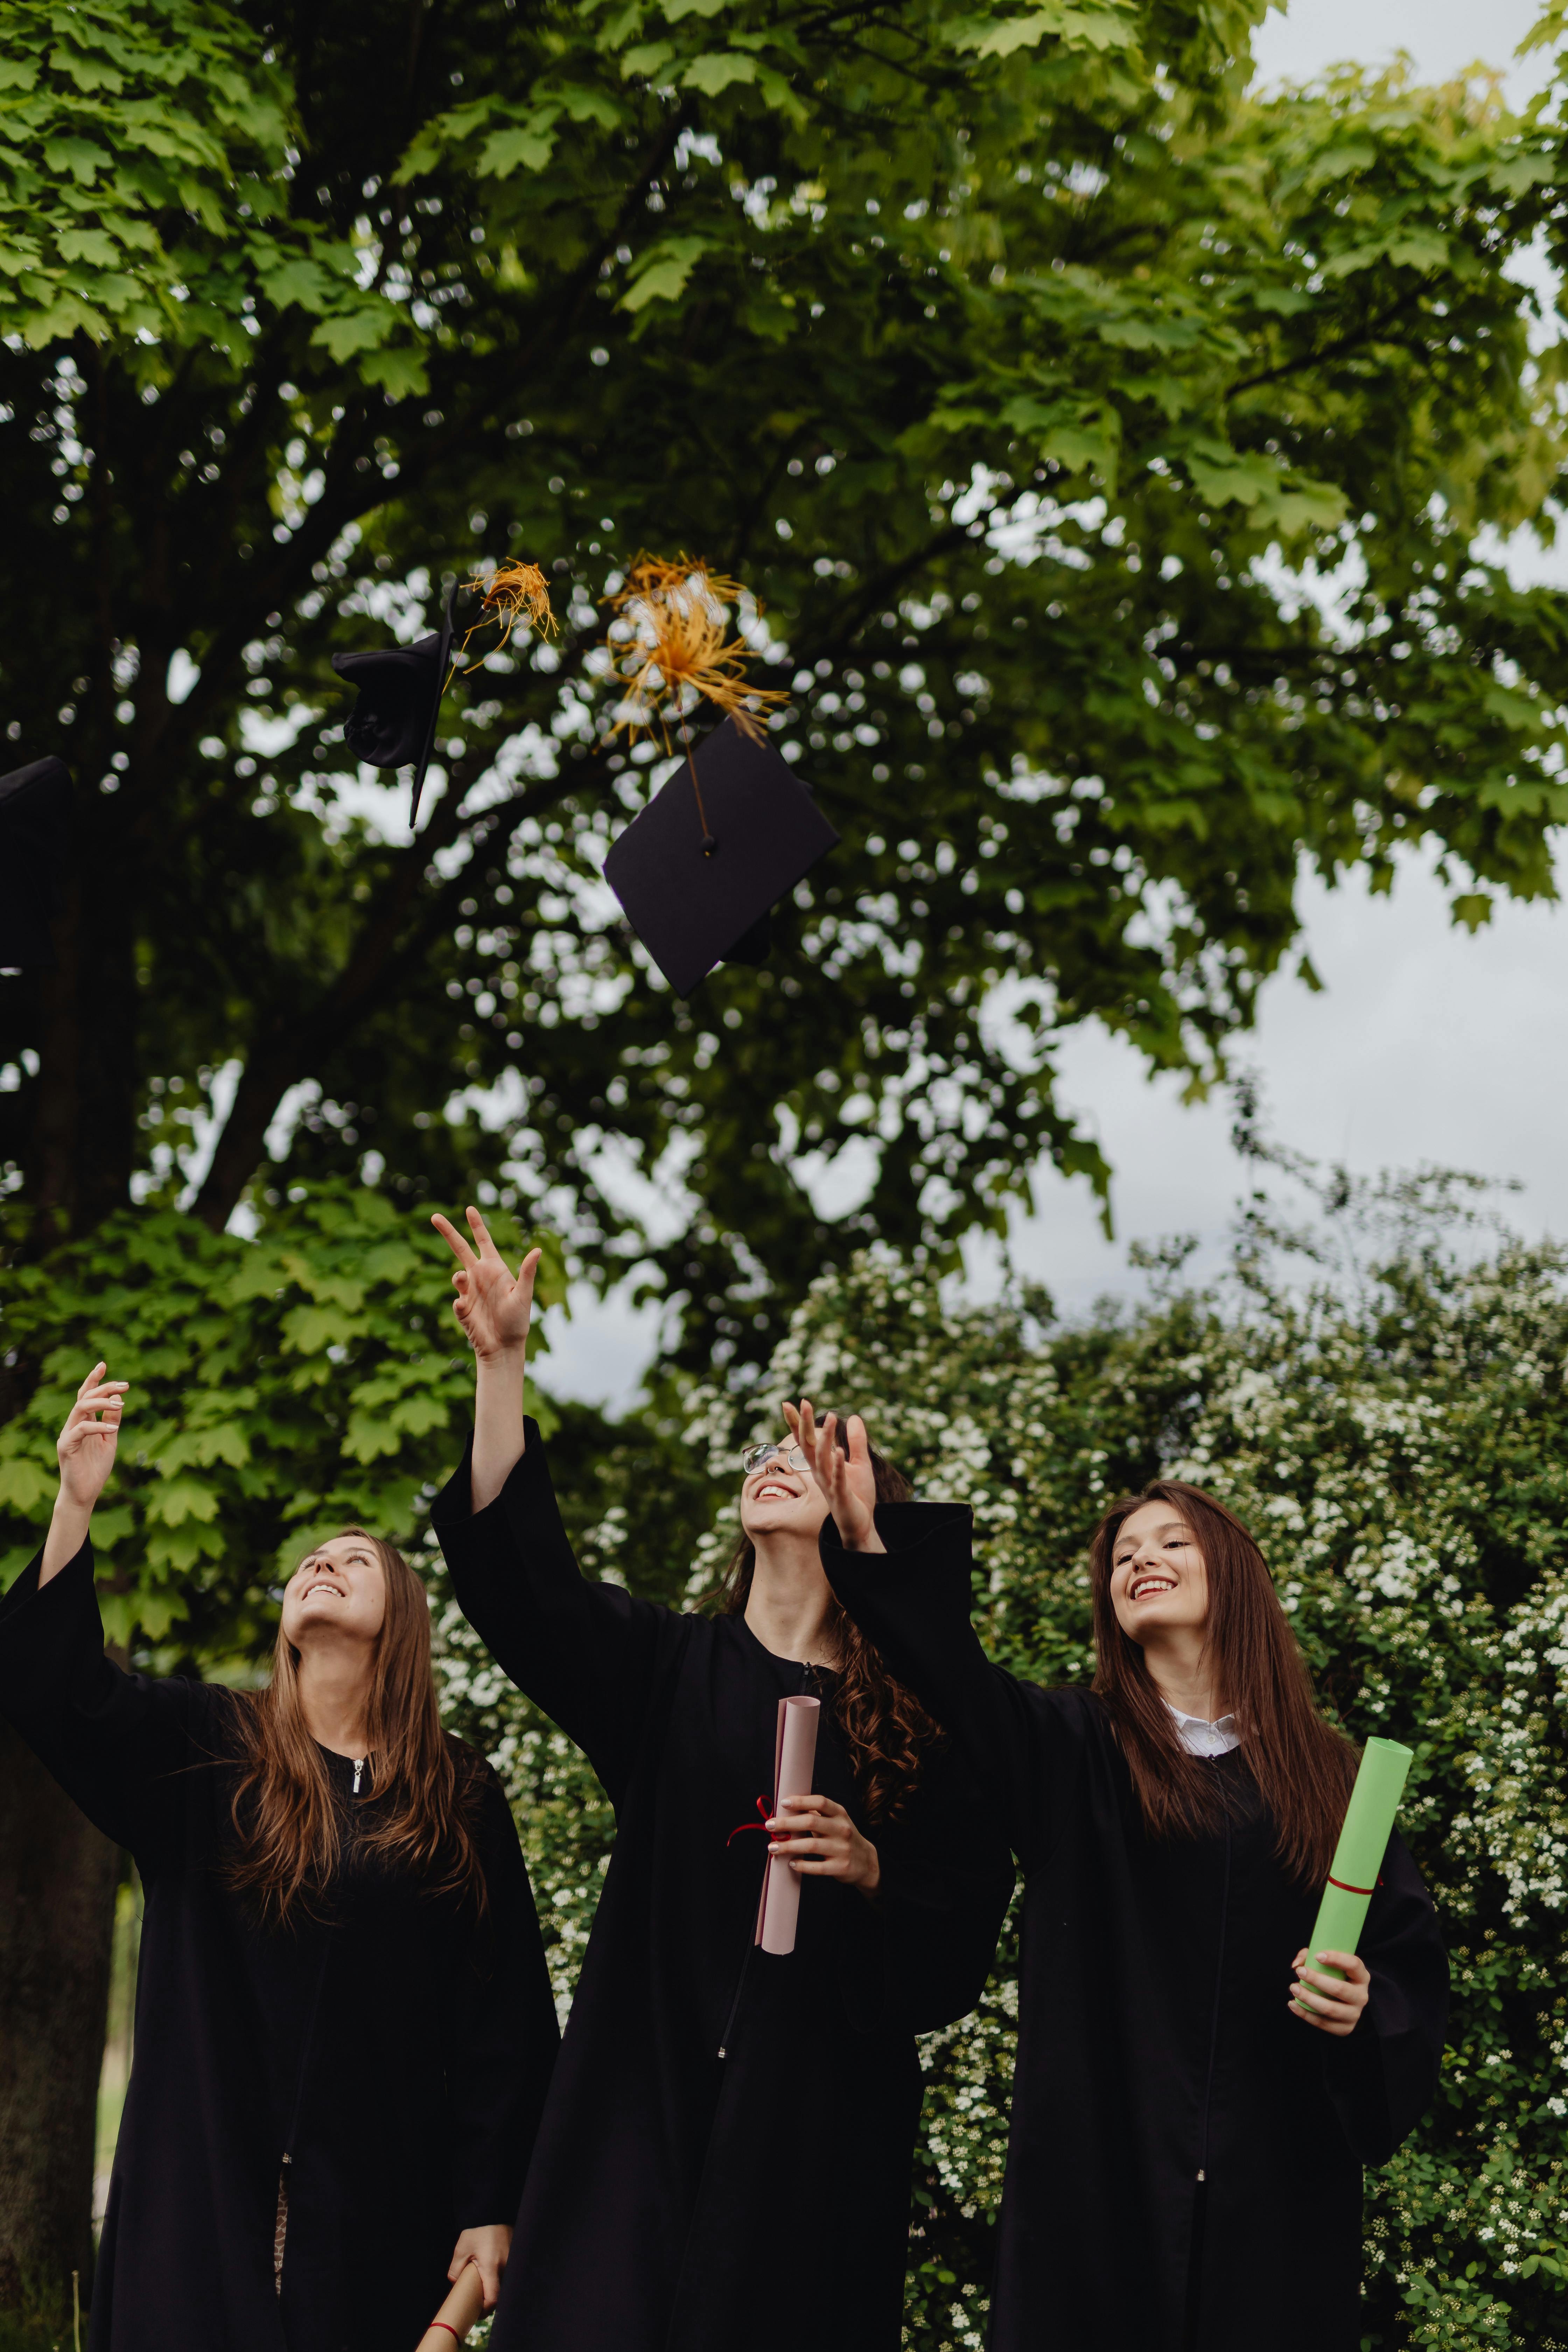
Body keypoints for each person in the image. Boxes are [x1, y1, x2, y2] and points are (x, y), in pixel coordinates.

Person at [428, 1208, 1015, 2352]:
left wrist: (874, 1867)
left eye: (810, 1460)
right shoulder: (664, 1670)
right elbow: (519, 1582)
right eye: (767, 1455)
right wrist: (502, 1365)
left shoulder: (927, 1722)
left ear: (864, 1515)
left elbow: (959, 1944)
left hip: (814, 2135)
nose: (774, 1464)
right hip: (633, 2112)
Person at [805, 1405, 1449, 2352]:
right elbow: (955, 1675)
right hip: (1100, 2186)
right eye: (1121, 1558)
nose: (1140, 1561)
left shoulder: (1334, 1780)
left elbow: (1404, 1963)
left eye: (1172, 1542)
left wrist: (1363, 2004)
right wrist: (869, 1540)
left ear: (1231, 1574)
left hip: (1276, 2191)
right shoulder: (1073, 1750)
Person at [0, 1360, 559, 2352]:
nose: (322, 1566)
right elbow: (57, 1694)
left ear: (403, 1623)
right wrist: (75, 1503)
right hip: (198, 2205)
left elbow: (500, 2021)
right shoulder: (205, 1747)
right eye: (310, 1561)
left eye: (356, 1561)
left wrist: (487, 2212)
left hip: (379, 2217)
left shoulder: (455, 1793)